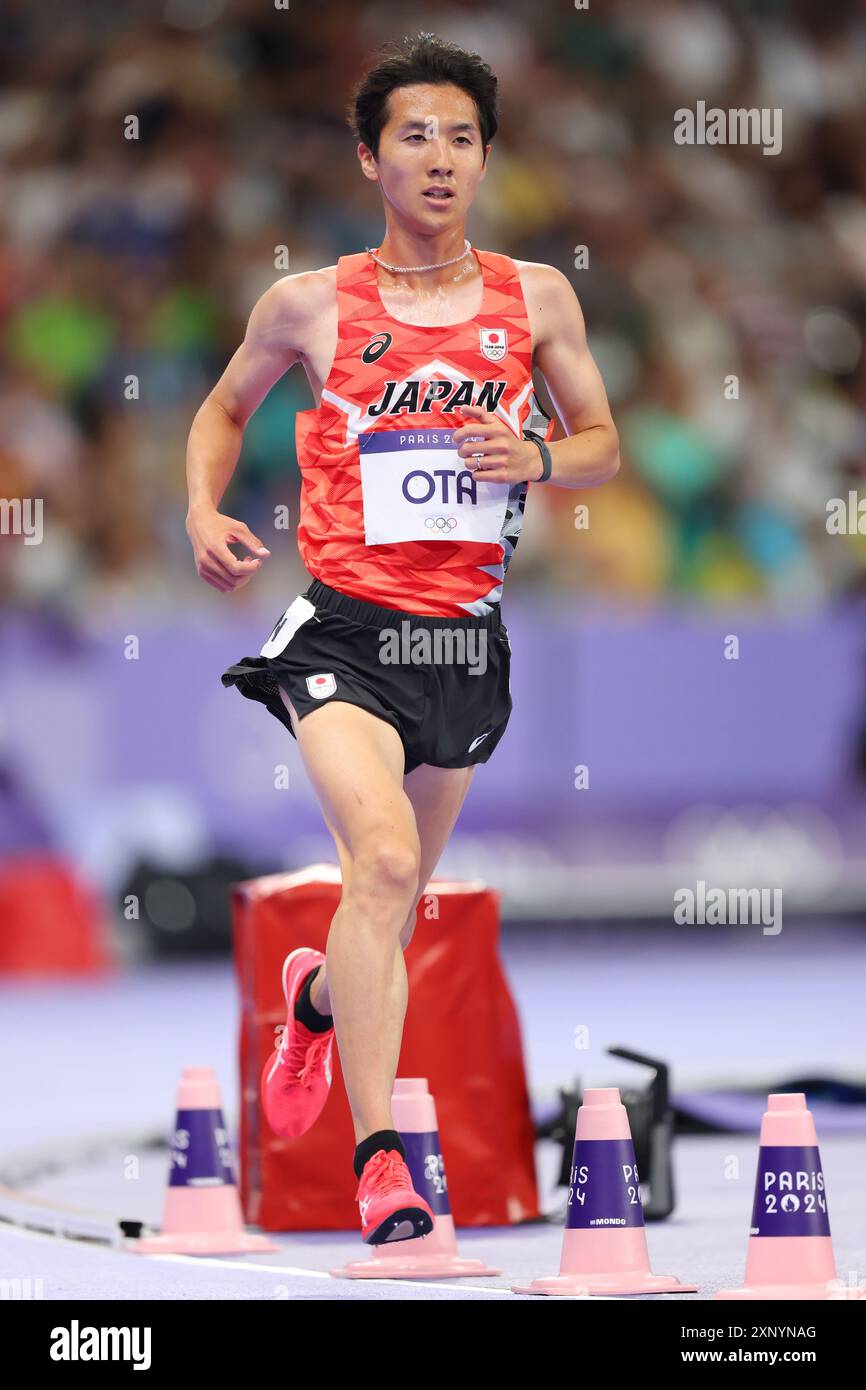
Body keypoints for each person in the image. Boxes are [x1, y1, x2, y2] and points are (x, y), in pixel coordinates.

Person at [185, 32, 619, 1246]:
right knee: (374, 863)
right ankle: (382, 1163)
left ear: (485, 161)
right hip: (343, 629)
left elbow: (599, 442)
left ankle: (313, 1001)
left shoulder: (536, 297)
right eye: (415, 136)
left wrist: (535, 454)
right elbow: (221, 411)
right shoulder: (309, 303)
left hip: (460, 647)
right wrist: (201, 508)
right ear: (370, 156)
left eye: (462, 138)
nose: (439, 159)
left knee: (394, 896)